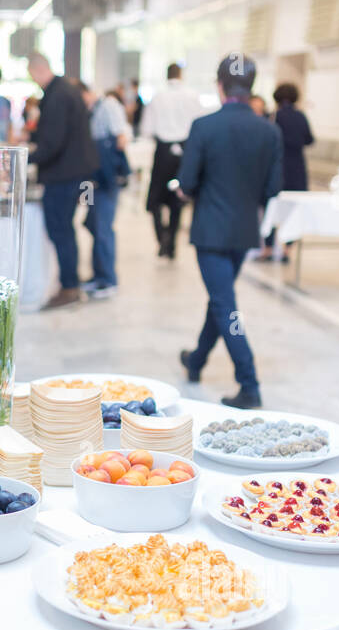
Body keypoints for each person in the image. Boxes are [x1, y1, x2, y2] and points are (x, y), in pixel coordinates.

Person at [175, 54, 282, 409]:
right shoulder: (269, 130)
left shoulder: (203, 127)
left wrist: (183, 190)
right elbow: (272, 189)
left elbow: (187, 183)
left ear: (220, 86)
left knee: (226, 306)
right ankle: (197, 359)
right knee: (220, 301)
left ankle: (249, 383)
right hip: (243, 233)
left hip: (210, 232)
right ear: (251, 88)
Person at [25, 51, 99, 309]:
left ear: (36, 70)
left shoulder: (57, 95)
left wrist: (27, 159)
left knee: (61, 229)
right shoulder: (64, 90)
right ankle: (70, 284)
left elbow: (53, 142)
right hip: (71, 173)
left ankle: (69, 287)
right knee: (65, 229)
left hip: (63, 175)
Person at [140, 62, 202, 259]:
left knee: (156, 199)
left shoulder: (158, 97)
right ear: (181, 75)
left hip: (164, 150)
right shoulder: (192, 96)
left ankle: (162, 237)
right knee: (178, 198)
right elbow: (199, 126)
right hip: (184, 151)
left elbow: (146, 129)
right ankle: (172, 242)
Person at [78, 81, 131, 298]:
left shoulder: (108, 105)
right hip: (95, 180)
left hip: (108, 179)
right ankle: (98, 275)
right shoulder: (91, 112)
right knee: (92, 223)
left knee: (103, 227)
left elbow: (121, 137)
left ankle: (108, 280)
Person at [263, 82, 315, 261]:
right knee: (293, 209)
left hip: (277, 166)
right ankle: (287, 249)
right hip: (297, 167)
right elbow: (309, 139)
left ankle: (269, 248)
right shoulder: (301, 116)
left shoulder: (273, 116)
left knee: (271, 206)